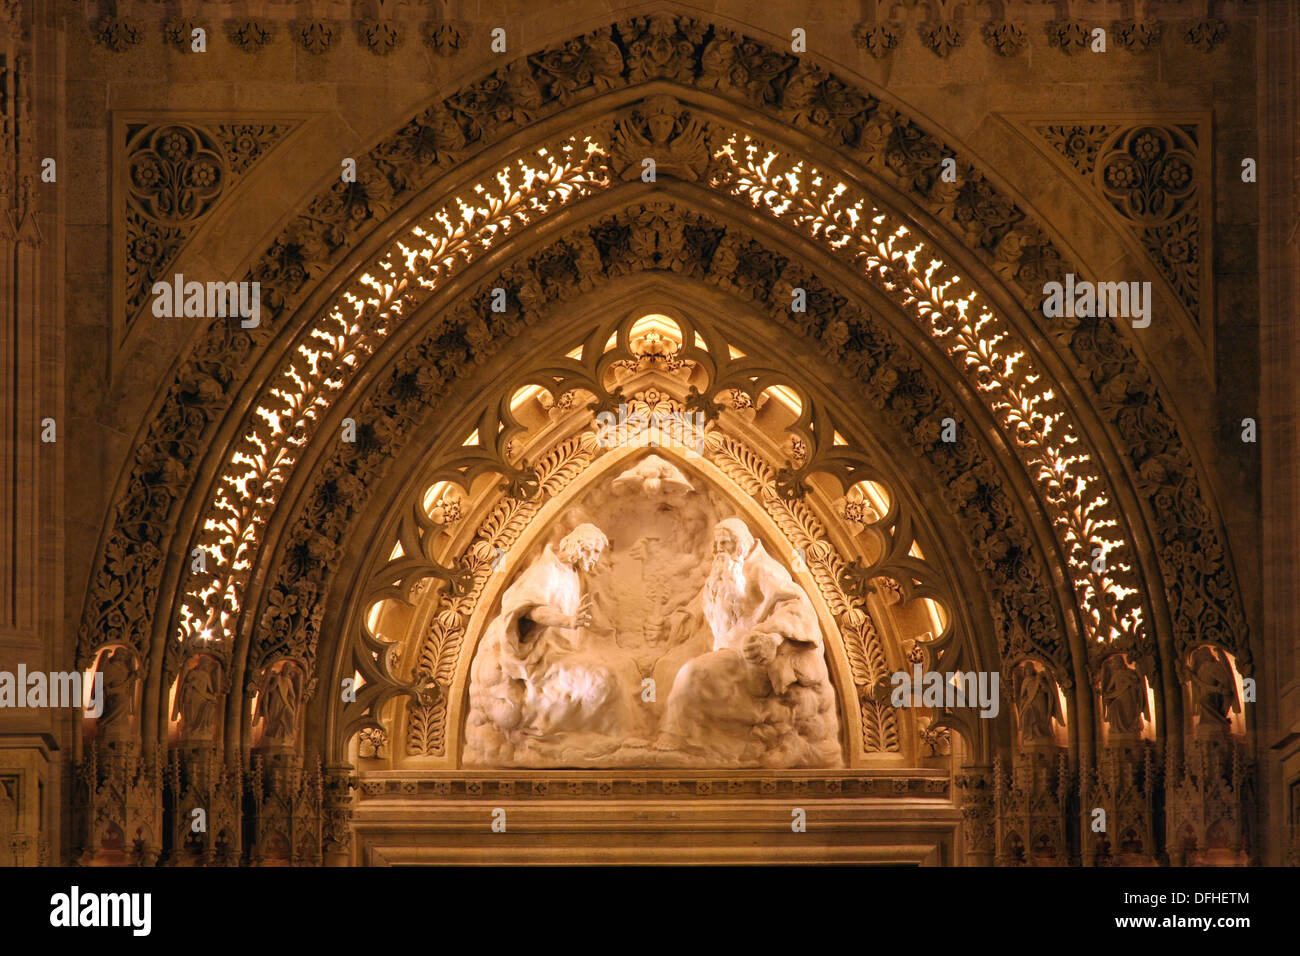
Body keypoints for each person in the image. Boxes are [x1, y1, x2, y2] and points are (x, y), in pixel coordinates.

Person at [655, 518, 841, 767]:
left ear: (741, 546)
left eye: (726, 544)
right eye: (718, 545)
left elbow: (796, 607)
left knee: (694, 673)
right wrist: (672, 621)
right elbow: (704, 600)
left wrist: (773, 639)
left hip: (753, 657)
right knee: (665, 666)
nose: (720, 550)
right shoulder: (725, 571)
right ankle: (702, 741)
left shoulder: (765, 570)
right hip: (723, 650)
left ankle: (676, 737)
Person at [465, 523, 627, 765]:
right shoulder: (547, 571)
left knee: (618, 671)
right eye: (593, 553)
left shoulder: (570, 571)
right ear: (579, 547)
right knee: (605, 679)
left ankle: (592, 735)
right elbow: (531, 610)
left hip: (558, 650)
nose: (595, 560)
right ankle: (549, 733)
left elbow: (578, 618)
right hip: (536, 656)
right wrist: (568, 621)